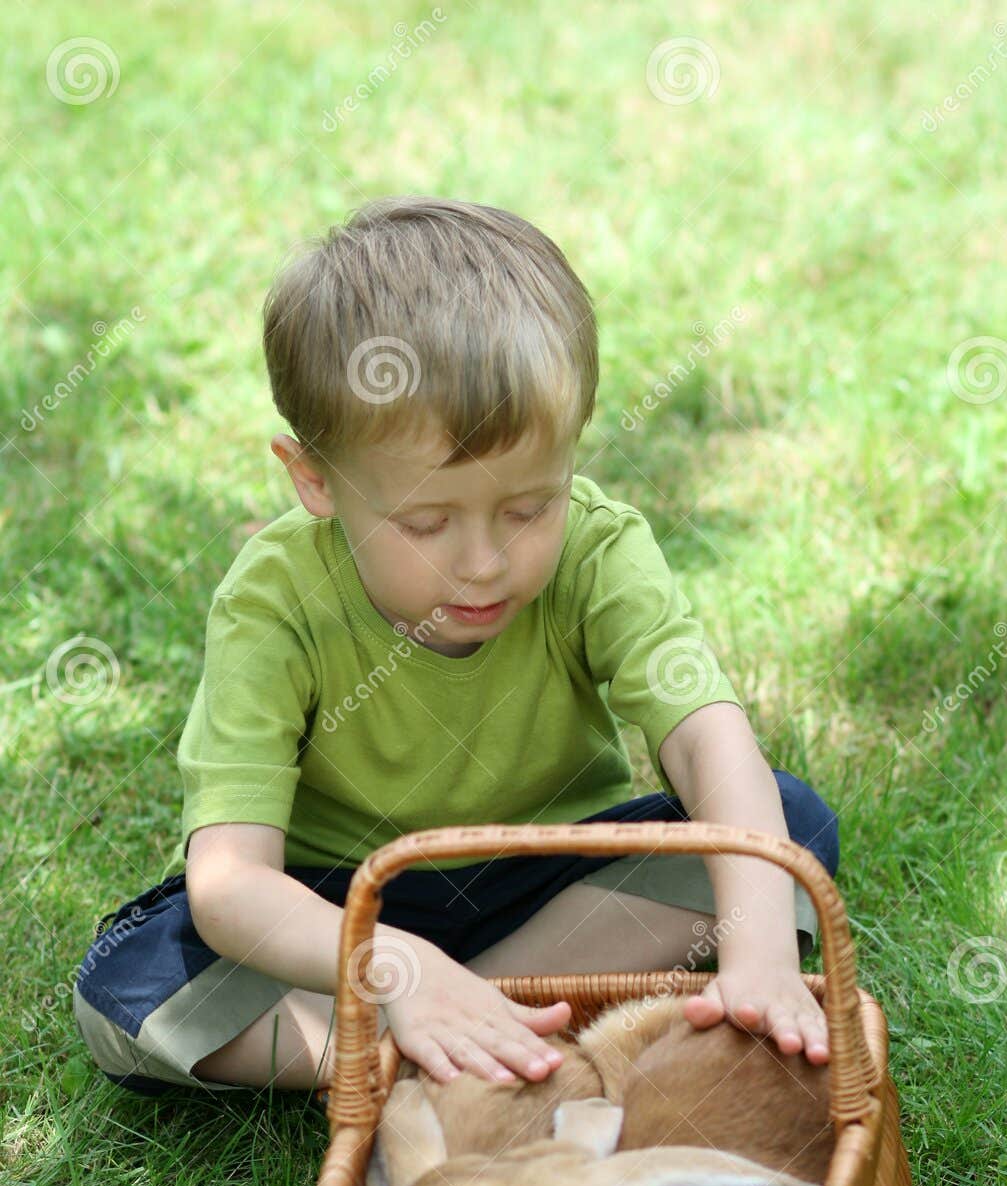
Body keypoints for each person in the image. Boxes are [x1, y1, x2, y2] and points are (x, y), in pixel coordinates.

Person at [73, 195, 840, 1105]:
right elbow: (232, 884)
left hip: (551, 879)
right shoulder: (273, 601)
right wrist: (392, 966)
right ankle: (403, 1050)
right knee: (126, 986)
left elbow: (706, 740)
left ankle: (480, 1020)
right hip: (346, 911)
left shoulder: (600, 549)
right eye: (426, 522)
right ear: (314, 479)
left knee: (787, 826)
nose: (484, 565)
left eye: (528, 508)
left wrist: (756, 959)